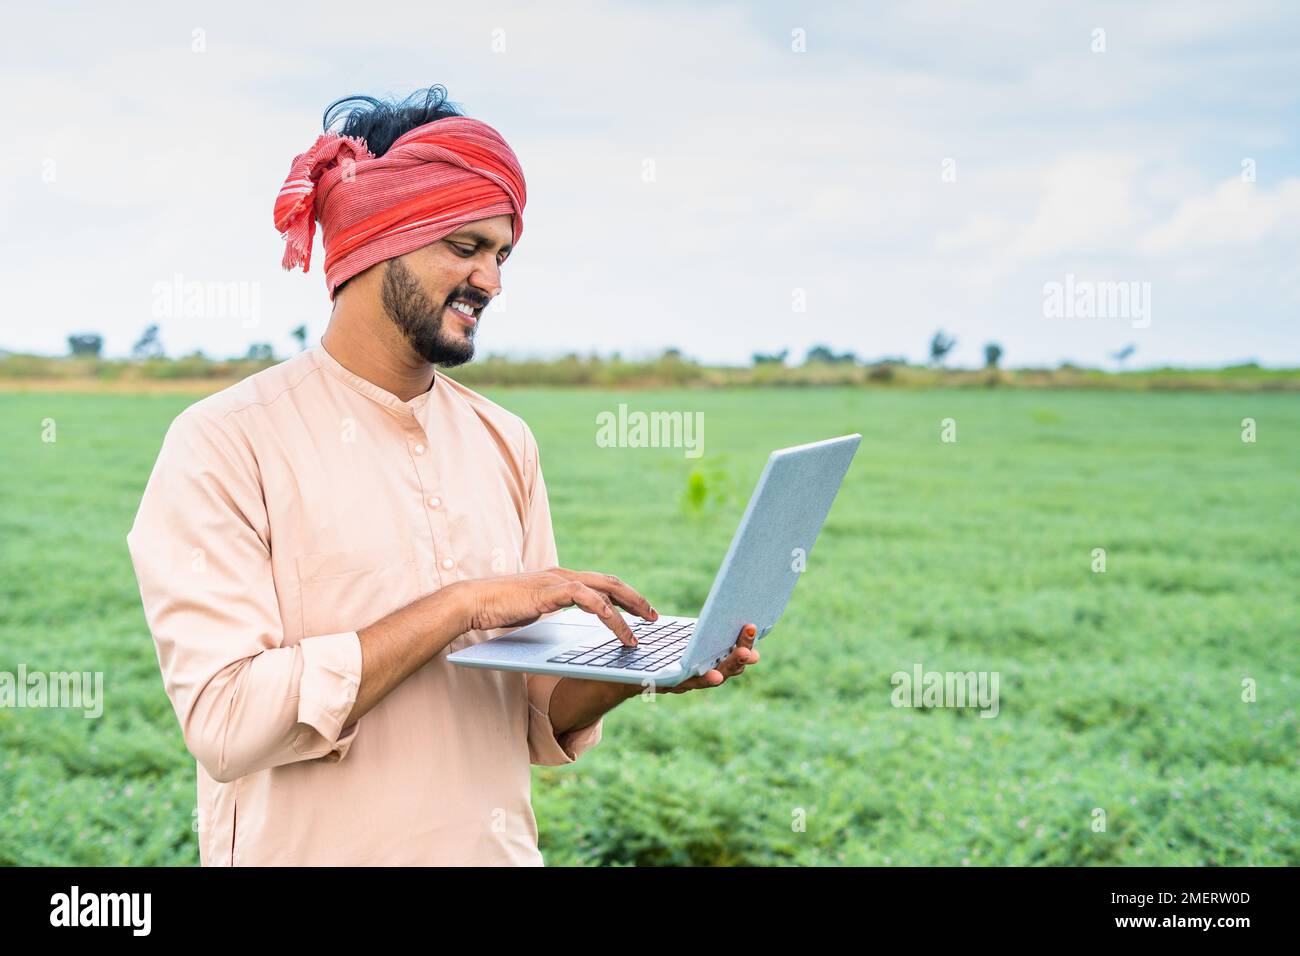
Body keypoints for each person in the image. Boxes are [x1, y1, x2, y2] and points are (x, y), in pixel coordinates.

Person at [126, 86, 760, 866]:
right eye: (464, 247)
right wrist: (463, 605)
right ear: (373, 240)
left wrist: (647, 670)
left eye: (501, 254)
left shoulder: (504, 440)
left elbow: (532, 708)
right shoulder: (224, 443)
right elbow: (227, 724)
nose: (491, 281)